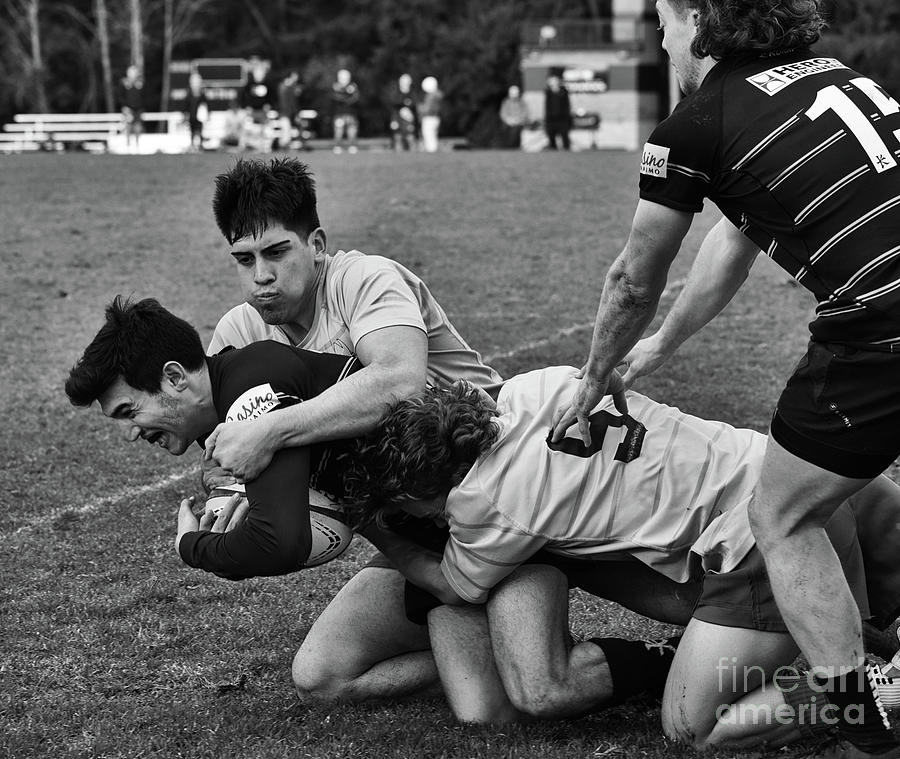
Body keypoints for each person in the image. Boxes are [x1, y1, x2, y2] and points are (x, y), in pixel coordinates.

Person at [550, 2, 900, 756]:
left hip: (883, 325)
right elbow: (734, 238)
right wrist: (658, 350)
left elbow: (632, 281)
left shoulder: (696, 125)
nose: (660, 34)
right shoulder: (825, 78)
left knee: (782, 517)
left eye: (665, 17)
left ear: (703, 20)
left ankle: (862, 711)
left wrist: (596, 370)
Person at [342, 367, 900, 749]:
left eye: (410, 504)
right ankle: (860, 646)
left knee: (695, 728)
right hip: (787, 474)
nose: (422, 518)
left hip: (758, 535)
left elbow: (453, 588)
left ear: (431, 486)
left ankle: (883, 691)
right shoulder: (537, 387)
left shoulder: (487, 507)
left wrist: (382, 533)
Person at [202, 156, 503, 703]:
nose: (261, 276)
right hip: (411, 524)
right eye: (243, 259)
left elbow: (399, 382)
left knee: (493, 709)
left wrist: (272, 432)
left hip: (498, 491)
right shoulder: (238, 333)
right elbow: (224, 454)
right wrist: (231, 493)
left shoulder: (363, 279)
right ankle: (476, 650)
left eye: (276, 252)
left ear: (315, 243)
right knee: (321, 678)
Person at [64, 296, 364, 579]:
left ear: (175, 378)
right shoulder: (215, 415)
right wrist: (232, 549)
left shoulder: (253, 391)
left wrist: (191, 546)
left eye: (129, 411)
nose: (129, 434)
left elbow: (278, 545)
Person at [241, 57, 273, 151]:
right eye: (257, 73)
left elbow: (271, 97)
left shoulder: (267, 84)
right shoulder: (250, 84)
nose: (259, 75)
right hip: (252, 111)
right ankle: (244, 146)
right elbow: (244, 96)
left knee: (266, 129)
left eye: (261, 73)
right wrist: (247, 106)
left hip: (263, 111)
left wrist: (268, 105)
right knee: (247, 128)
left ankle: (265, 147)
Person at [330, 69, 360, 154]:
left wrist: (344, 96)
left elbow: (355, 98)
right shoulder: (335, 86)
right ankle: (337, 146)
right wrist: (346, 95)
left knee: (352, 129)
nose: (344, 79)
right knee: (338, 130)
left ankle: (352, 146)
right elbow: (335, 97)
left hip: (351, 112)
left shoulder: (353, 86)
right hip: (339, 113)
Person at [389, 73, 419, 152]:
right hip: (397, 118)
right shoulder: (396, 92)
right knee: (397, 136)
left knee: (410, 137)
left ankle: (414, 155)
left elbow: (414, 104)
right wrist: (404, 103)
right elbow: (394, 102)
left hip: (409, 119)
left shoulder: (412, 93)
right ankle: (398, 155)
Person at [120, 65, 144, 154]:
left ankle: (137, 146)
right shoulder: (124, 83)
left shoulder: (140, 84)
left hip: (138, 109)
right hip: (127, 109)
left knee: (138, 127)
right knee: (128, 127)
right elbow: (121, 96)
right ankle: (128, 146)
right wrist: (125, 107)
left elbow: (144, 97)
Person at [543, 74, 571, 151]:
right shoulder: (548, 92)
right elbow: (547, 107)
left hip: (562, 118)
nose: (552, 83)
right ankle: (553, 149)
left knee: (564, 135)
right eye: (551, 81)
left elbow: (567, 106)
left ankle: (566, 149)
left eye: (554, 81)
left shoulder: (563, 92)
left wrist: (567, 117)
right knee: (551, 135)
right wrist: (547, 118)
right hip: (551, 119)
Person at [276, 71, 302, 151]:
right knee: (286, 130)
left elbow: (293, 103)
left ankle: (284, 145)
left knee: (288, 130)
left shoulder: (291, 88)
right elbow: (284, 102)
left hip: (290, 113)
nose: (296, 79)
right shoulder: (284, 87)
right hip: (284, 112)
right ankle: (282, 146)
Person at [184, 72, 209, 152]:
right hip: (192, 116)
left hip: (199, 117)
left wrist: (206, 115)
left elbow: (205, 105)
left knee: (200, 131)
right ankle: (192, 145)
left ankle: (200, 146)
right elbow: (186, 106)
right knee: (192, 132)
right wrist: (185, 115)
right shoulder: (189, 94)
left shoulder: (202, 94)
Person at [499, 85, 529, 149]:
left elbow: (525, 113)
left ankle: (513, 147)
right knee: (504, 129)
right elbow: (503, 113)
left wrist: (518, 120)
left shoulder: (522, 102)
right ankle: (505, 146)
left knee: (515, 131)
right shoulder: (506, 102)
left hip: (519, 122)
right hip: (508, 122)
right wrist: (508, 120)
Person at [418, 76, 443, 153]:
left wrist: (420, 108)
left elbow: (427, 109)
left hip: (429, 118)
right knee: (432, 135)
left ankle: (431, 151)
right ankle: (433, 150)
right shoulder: (438, 95)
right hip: (436, 118)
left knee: (429, 135)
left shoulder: (431, 96)